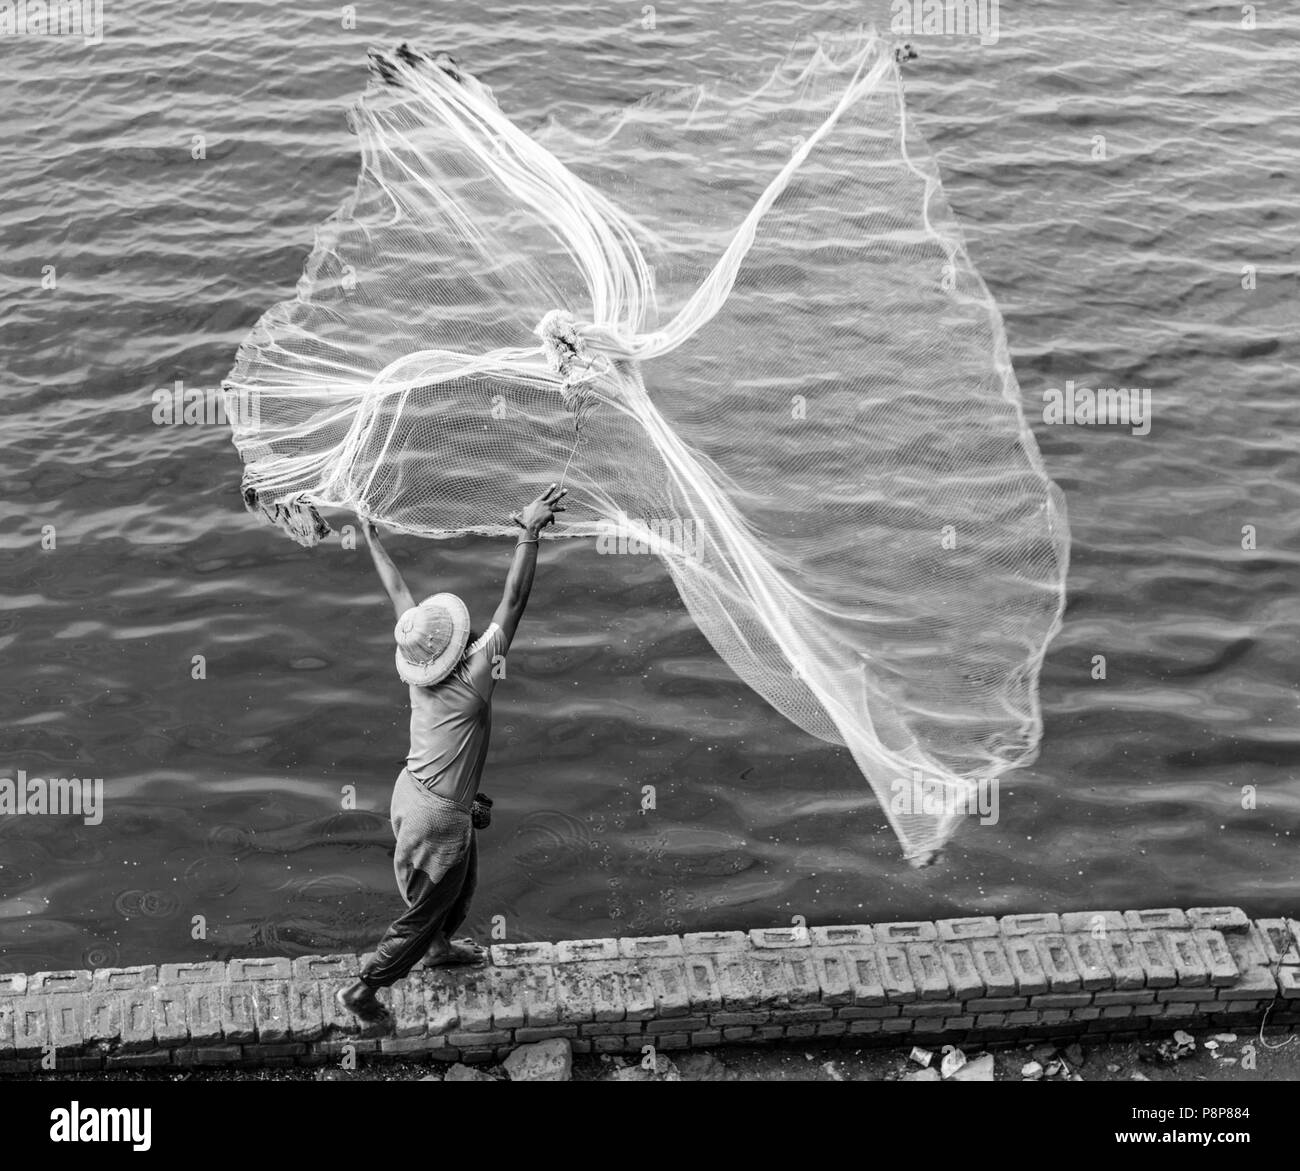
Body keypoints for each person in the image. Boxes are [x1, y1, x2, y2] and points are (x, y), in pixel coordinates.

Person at [337, 484, 567, 1024]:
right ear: (455, 640)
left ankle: (441, 950)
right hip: (437, 814)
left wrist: (371, 536)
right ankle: (365, 990)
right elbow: (513, 603)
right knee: (424, 912)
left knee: (460, 882)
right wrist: (528, 533)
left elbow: (398, 596)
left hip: (413, 793)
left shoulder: (421, 673)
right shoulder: (474, 678)